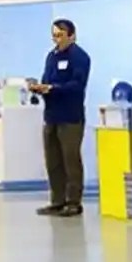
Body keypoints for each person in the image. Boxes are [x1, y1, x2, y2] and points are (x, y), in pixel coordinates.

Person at [29, 18, 92, 217]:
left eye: (60, 35)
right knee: (53, 160)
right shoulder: (52, 56)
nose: (56, 40)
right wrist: (40, 87)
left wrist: (54, 89)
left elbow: (77, 85)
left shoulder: (79, 57)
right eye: (54, 35)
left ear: (71, 35)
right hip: (52, 116)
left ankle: (74, 201)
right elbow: (47, 79)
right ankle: (57, 200)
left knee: (70, 160)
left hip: (70, 117)